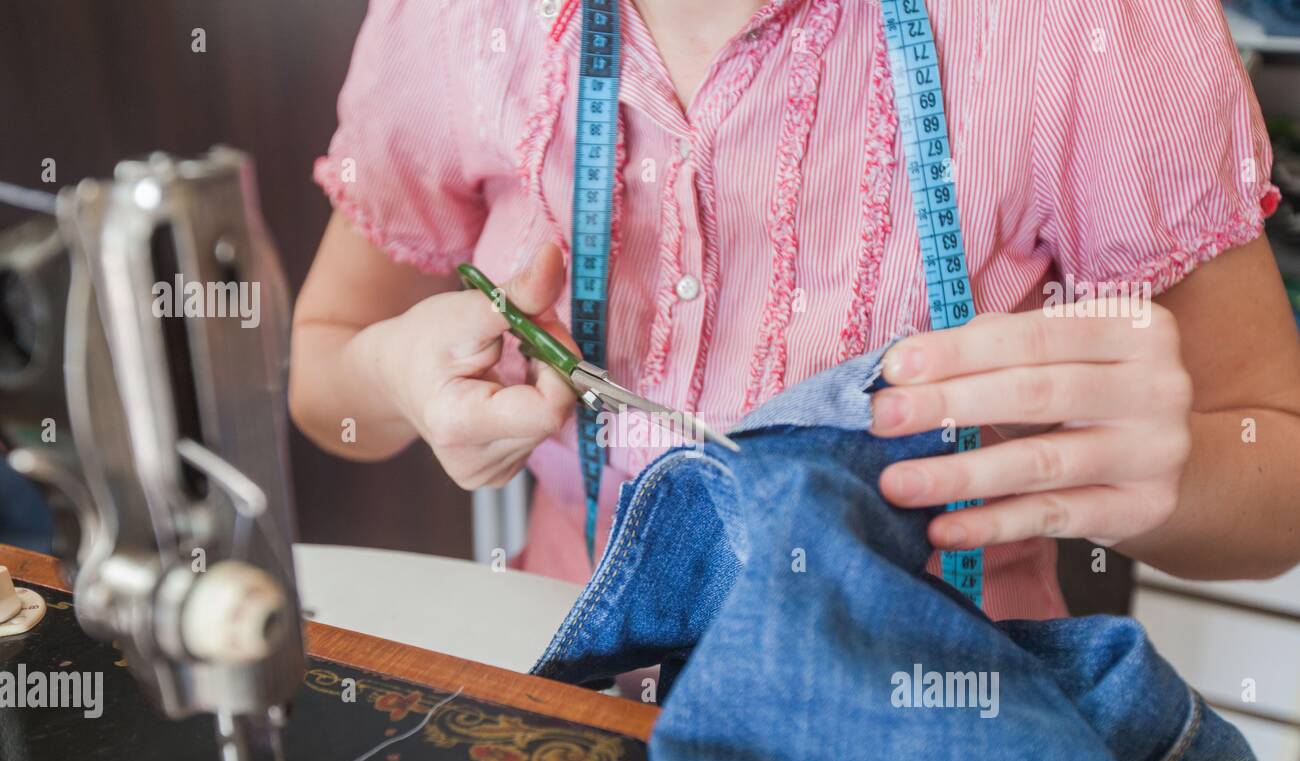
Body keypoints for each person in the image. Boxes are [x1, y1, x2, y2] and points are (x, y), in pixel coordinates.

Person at [290, 0, 1300, 621]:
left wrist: (1157, 473)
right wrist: (395, 378)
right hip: (579, 706)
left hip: (939, 721)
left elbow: (1280, 489)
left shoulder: (1078, 24)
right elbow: (322, 376)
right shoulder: (460, 20)